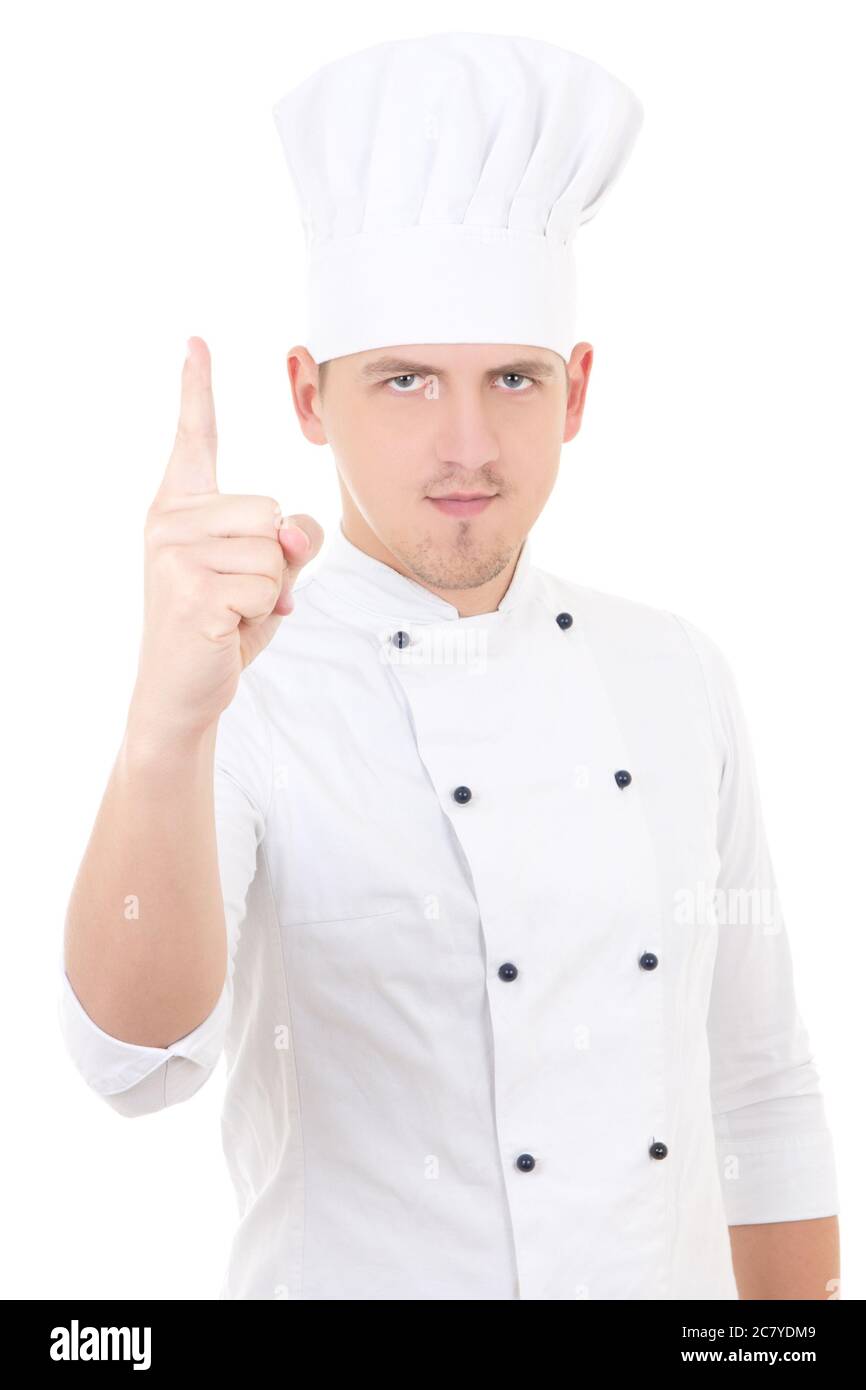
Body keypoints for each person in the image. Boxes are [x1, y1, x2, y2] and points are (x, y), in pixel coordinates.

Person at [58, 33, 840, 1300]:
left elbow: (758, 1090)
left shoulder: (677, 673)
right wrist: (163, 728)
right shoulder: (243, 682)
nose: (465, 445)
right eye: (406, 379)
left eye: (512, 379)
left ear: (575, 390)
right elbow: (133, 1060)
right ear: (310, 396)